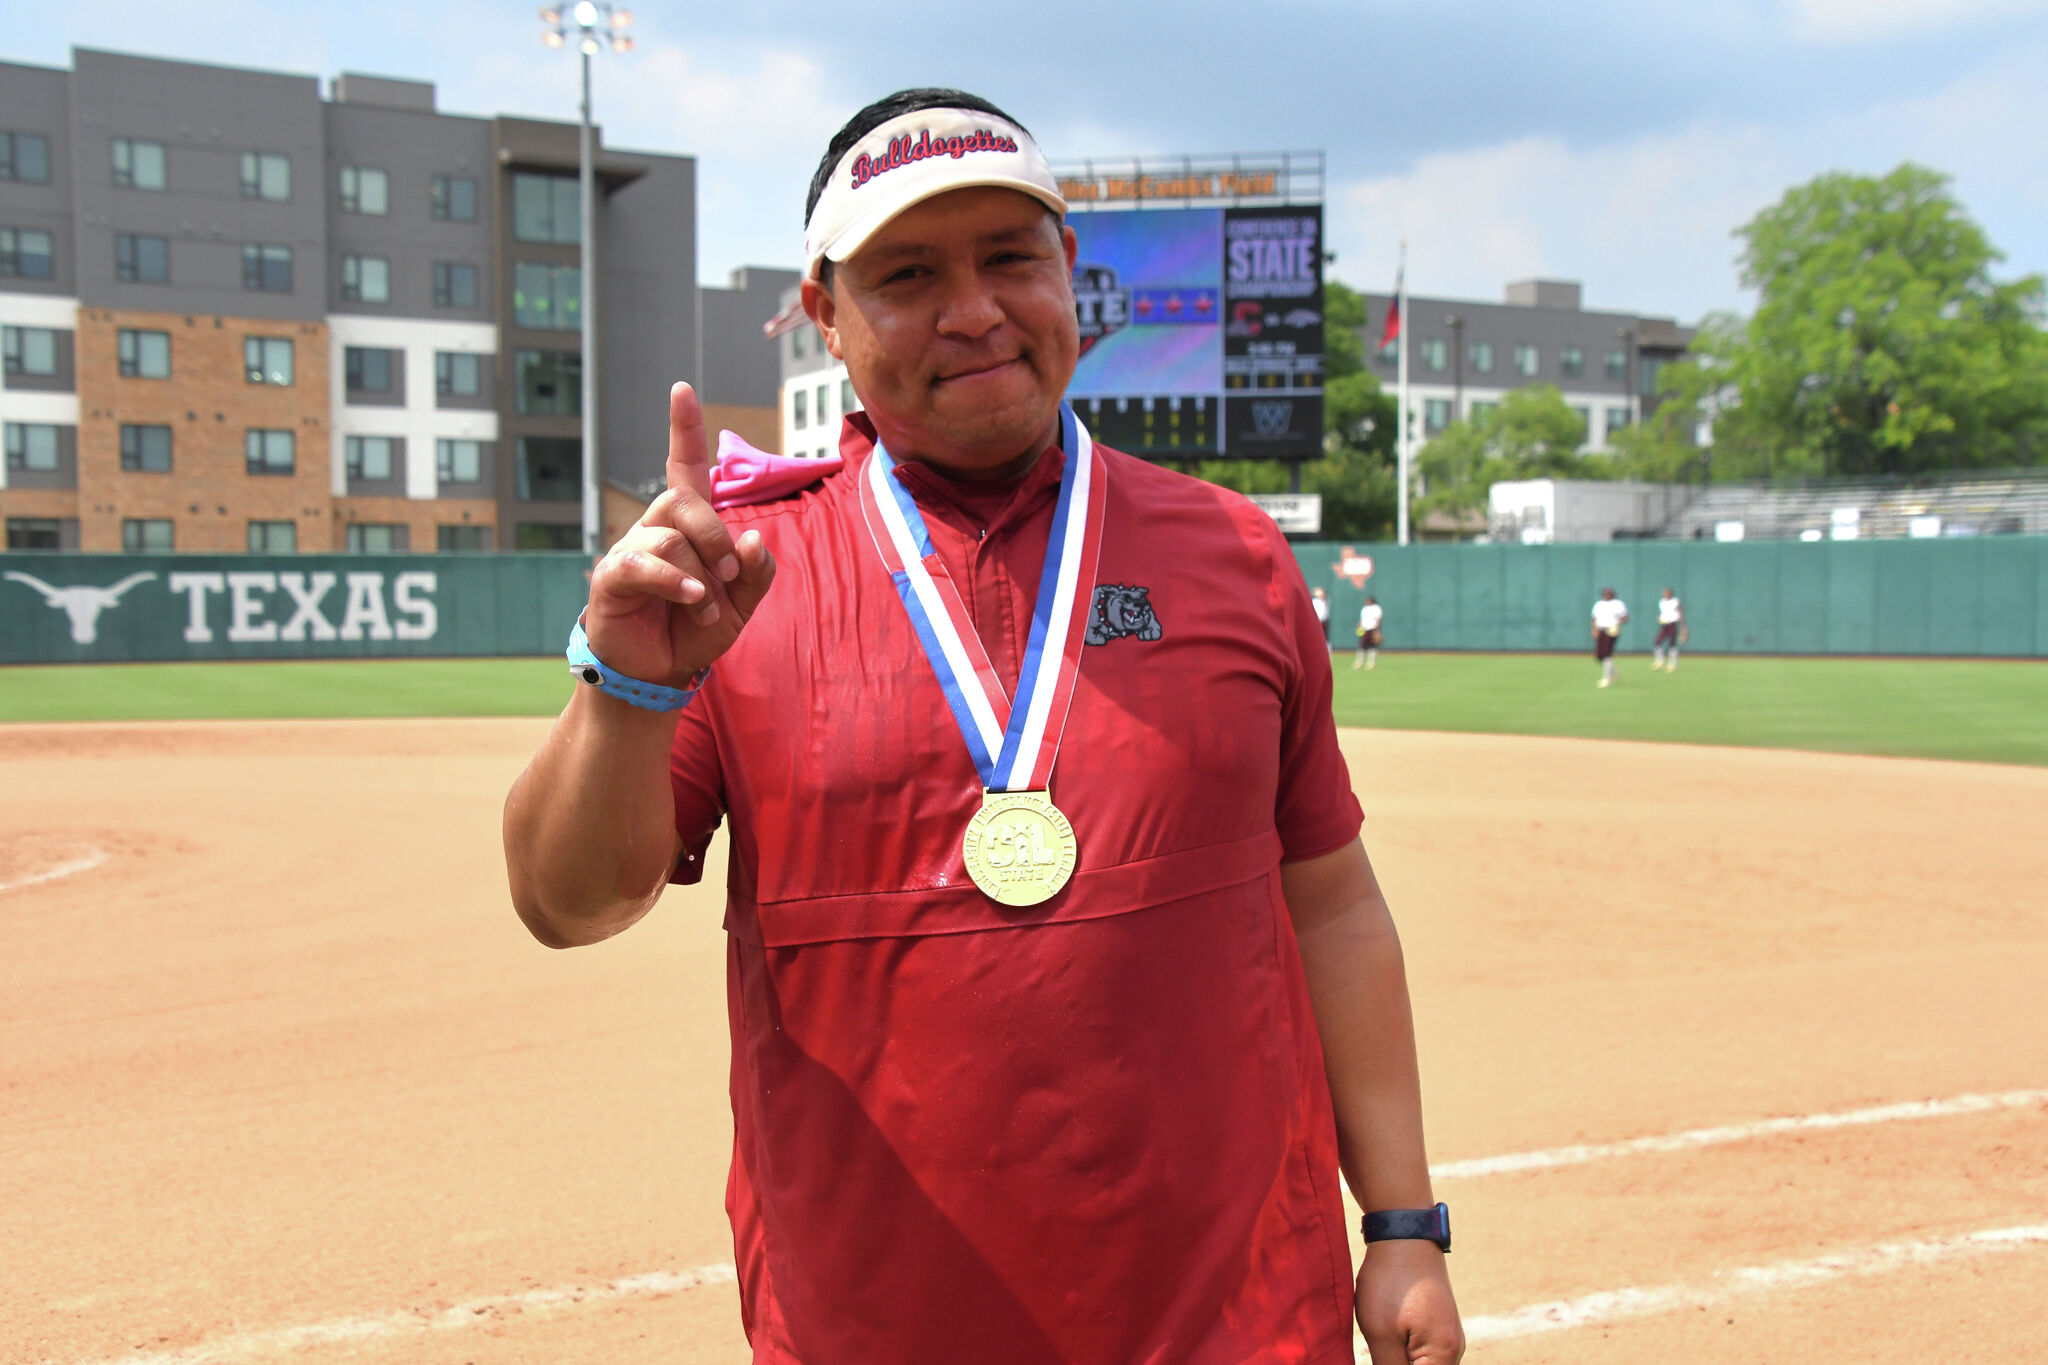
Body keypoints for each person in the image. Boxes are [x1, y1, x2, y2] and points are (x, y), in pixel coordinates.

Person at [503, 87, 1461, 1365]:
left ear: (1068, 271)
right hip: (870, 1330)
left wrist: (1400, 1224)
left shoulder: (1234, 552)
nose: (972, 310)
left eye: (1008, 257)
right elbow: (566, 904)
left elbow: (1331, 903)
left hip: (1240, 1323)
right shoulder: (737, 580)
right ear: (826, 315)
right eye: (908, 275)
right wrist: (626, 686)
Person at [1591, 586, 1628, 688]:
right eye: (1605, 593)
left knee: (1607, 653)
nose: (1606, 595)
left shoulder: (1618, 604)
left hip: (1612, 630)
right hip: (1601, 630)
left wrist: (1617, 622)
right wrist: (1594, 630)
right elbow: (1594, 619)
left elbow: (1625, 618)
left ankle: (1606, 678)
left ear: (1612, 594)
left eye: (1608, 593)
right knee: (1599, 655)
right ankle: (1613, 671)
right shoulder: (1598, 605)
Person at [1652, 586, 1684, 671]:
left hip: (1673, 623)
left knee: (1672, 644)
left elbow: (1680, 612)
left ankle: (1672, 664)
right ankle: (1659, 661)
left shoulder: (1675, 601)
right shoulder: (1662, 602)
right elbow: (1663, 612)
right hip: (1664, 624)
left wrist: (1682, 624)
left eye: (1667, 592)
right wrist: (1660, 617)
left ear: (1671, 593)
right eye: (1664, 593)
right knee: (1657, 642)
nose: (1665, 594)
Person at [1355, 595, 1384, 670]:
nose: (1367, 602)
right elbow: (1362, 619)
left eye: (1368, 600)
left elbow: (1379, 619)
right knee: (1361, 646)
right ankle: (1359, 662)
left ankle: (1371, 663)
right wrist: (1359, 625)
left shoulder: (1376, 608)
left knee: (1372, 647)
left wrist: (1377, 630)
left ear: (1372, 601)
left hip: (1372, 628)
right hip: (1364, 629)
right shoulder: (1365, 608)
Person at [1311, 585, 1332, 649]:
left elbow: (1324, 597)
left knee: (1325, 638)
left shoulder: (1326, 600)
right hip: (1316, 622)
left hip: (1324, 621)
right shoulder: (1314, 601)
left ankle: (1328, 651)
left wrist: (1320, 592)